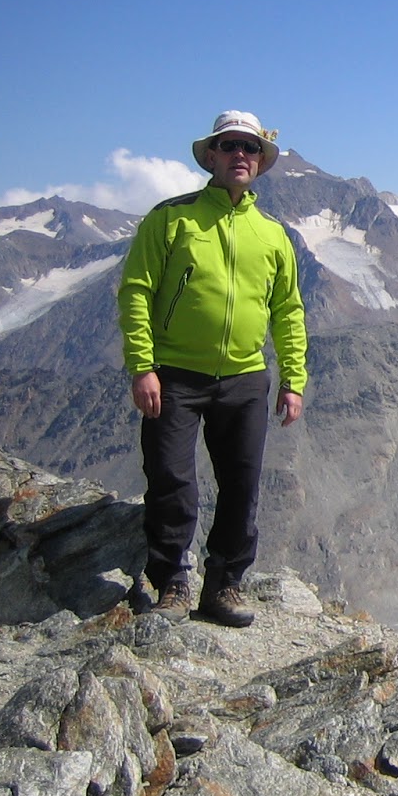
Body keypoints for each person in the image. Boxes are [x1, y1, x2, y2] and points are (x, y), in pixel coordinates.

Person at [117, 110, 308, 626]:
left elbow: (288, 311)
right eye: (230, 146)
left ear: (260, 161)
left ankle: (223, 584)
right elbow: (136, 292)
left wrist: (293, 380)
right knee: (172, 480)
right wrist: (143, 365)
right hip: (174, 374)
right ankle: (172, 582)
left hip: (245, 378)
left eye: (249, 147)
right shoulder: (170, 218)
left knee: (242, 485)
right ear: (212, 156)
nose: (239, 155)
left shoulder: (272, 236)